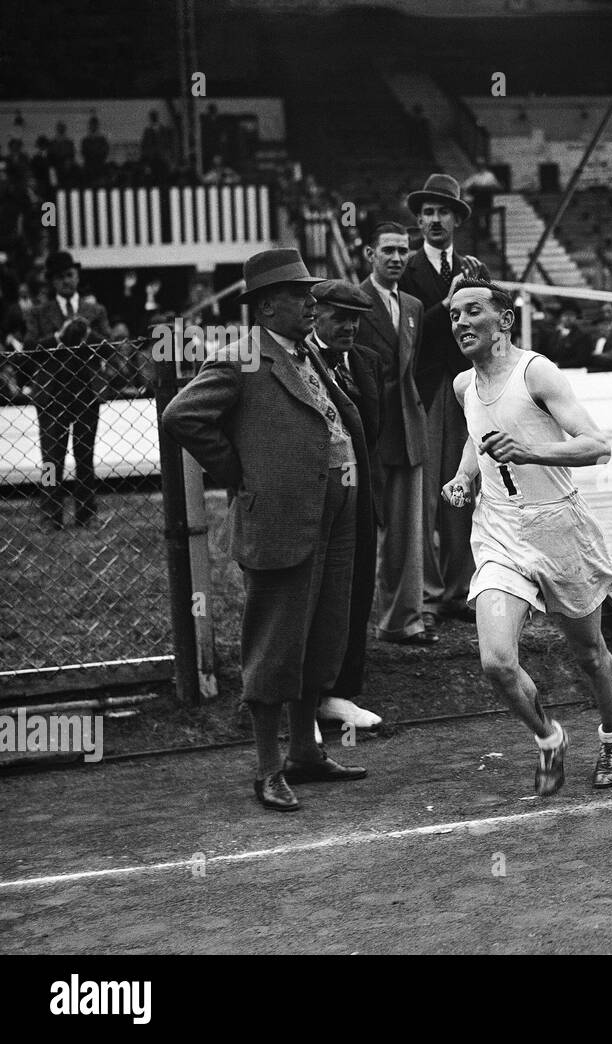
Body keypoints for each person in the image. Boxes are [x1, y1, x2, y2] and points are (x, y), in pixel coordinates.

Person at [161, 248, 367, 811]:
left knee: (320, 635)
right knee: (275, 643)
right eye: (301, 296)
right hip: (280, 518)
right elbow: (182, 417)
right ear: (268, 304)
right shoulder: (241, 357)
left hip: (332, 512)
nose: (311, 303)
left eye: (309, 294)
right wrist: (239, 474)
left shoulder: (304, 352)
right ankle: (268, 768)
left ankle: (304, 753)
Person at [441, 276, 612, 794]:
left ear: (503, 319)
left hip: (559, 528)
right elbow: (478, 442)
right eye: (453, 316)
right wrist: (463, 477)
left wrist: (529, 451)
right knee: (496, 661)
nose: (459, 323)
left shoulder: (535, 372)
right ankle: (549, 739)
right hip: (500, 533)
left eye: (471, 311)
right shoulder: (462, 385)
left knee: (589, 655)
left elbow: (596, 446)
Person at [398, 173, 489, 624]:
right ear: (419, 221)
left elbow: (487, 323)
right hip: (427, 389)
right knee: (426, 494)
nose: (435, 220)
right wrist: (450, 301)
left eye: (443, 212)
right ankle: (429, 594)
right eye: (428, 213)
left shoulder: (473, 268)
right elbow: (409, 332)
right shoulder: (407, 271)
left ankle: (461, 589)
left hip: (467, 389)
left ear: (456, 219)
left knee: (464, 487)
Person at [308, 279, 385, 731]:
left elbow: (372, 434)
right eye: (340, 316)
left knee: (355, 592)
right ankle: (304, 700)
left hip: (359, 496)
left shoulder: (367, 363)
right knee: (312, 597)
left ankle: (338, 693)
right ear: (314, 313)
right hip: (315, 497)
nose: (350, 326)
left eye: (356, 318)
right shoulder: (301, 362)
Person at [356, 221, 434, 645]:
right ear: (369, 254)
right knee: (364, 534)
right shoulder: (353, 301)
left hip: (407, 432)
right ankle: (354, 623)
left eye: (404, 250)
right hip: (368, 434)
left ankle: (402, 619)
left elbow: (412, 372)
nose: (398, 258)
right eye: (388, 250)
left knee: (408, 532)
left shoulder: (414, 307)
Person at [23, 251, 110, 530]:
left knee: (85, 455)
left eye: (70, 275)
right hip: (52, 393)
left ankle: (87, 513)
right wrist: (58, 338)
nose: (66, 281)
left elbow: (108, 347)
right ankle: (50, 514)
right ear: (52, 282)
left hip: (85, 390)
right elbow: (28, 351)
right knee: (51, 460)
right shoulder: (39, 313)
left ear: (77, 276)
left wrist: (86, 334)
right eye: (60, 277)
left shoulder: (94, 311)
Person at [80, 117, 110, 185]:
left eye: (94, 125)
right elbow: (84, 153)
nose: (93, 126)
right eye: (91, 124)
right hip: (89, 168)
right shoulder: (85, 140)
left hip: (99, 167)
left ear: (97, 126)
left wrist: (96, 155)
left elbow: (105, 152)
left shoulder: (102, 140)